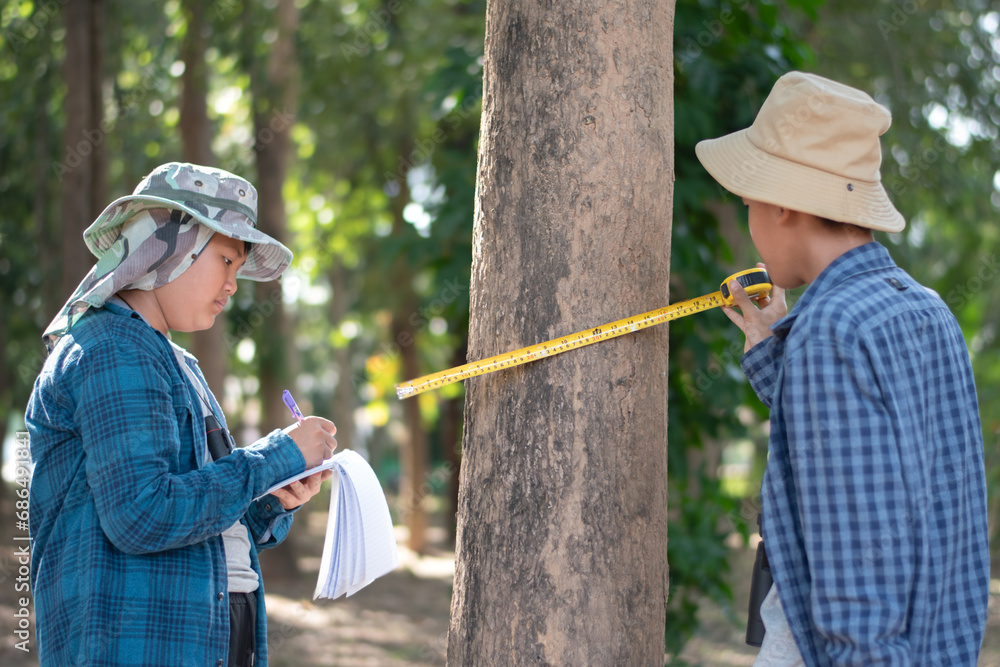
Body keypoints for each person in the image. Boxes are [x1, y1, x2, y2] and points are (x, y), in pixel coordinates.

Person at [696, 72, 989, 665]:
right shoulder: (925, 310)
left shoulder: (830, 332)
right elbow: (863, 453)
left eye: (748, 201)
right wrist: (771, 344)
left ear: (780, 204)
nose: (747, 215)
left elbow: (859, 564)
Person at [26, 162, 339, 666]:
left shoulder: (174, 361)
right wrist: (272, 456)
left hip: (210, 635)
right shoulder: (111, 348)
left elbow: (197, 516)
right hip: (135, 644)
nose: (234, 284)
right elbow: (141, 514)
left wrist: (270, 500)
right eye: (225, 260)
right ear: (171, 246)